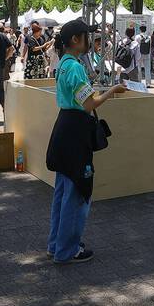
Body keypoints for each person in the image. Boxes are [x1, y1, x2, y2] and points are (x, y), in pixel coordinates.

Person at [46, 18, 127, 264]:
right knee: (78, 193)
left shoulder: (64, 64)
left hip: (63, 130)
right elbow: (89, 104)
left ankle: (56, 245)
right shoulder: (75, 67)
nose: (89, 40)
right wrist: (113, 90)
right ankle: (67, 250)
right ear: (75, 40)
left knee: (62, 192)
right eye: (86, 35)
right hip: (75, 135)